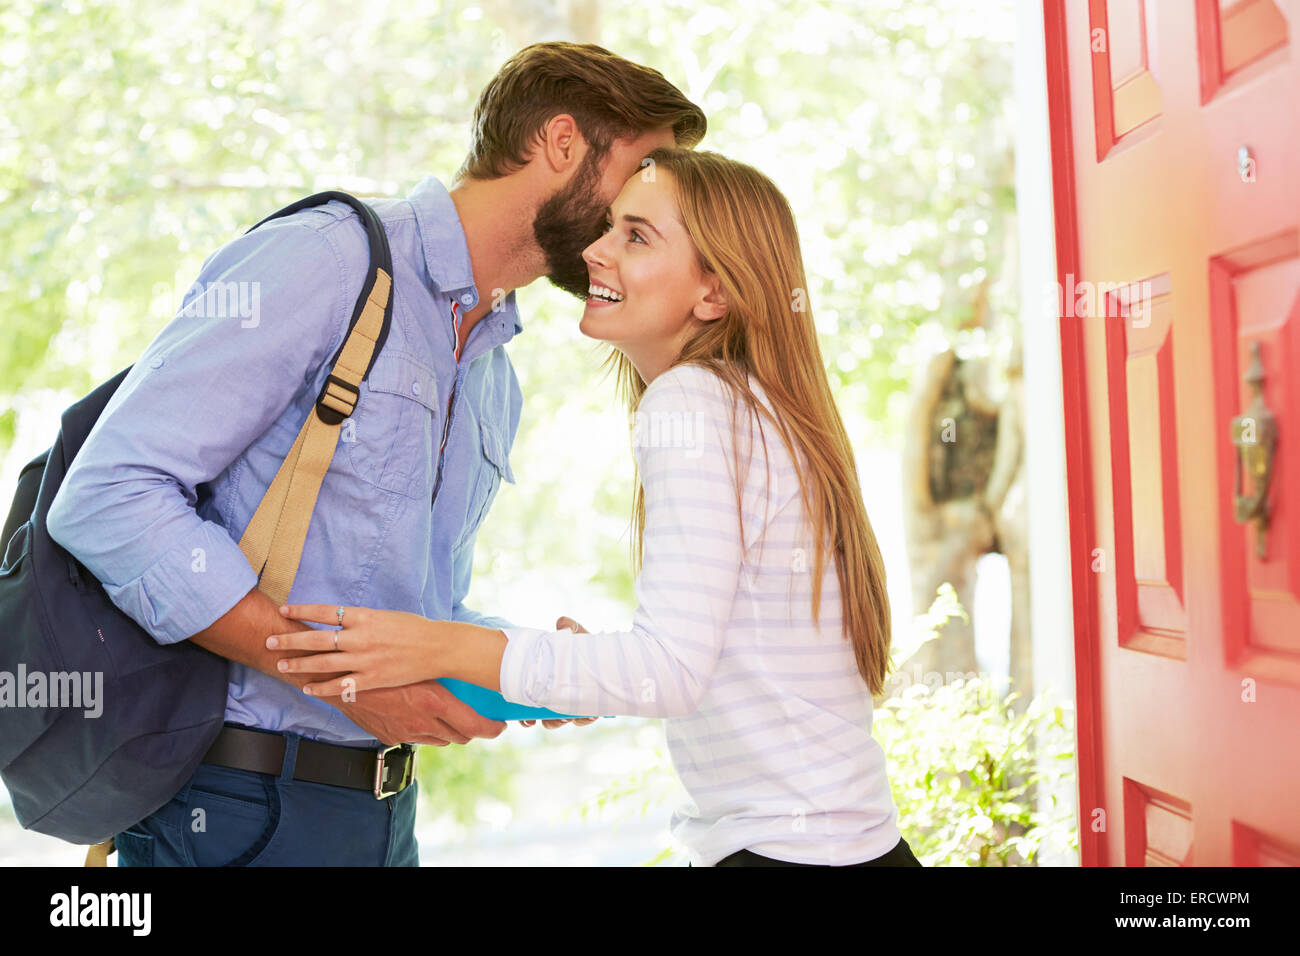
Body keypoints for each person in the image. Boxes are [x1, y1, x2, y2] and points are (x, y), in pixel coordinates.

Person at [45, 42, 706, 866]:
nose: (644, 205)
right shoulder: (329, 260)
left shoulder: (492, 371)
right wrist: (348, 686)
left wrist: (536, 668)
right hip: (236, 805)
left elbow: (403, 613)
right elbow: (108, 495)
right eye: (642, 168)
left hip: (383, 817)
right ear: (561, 143)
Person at [270, 148, 922, 868]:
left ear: (714, 295)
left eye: (637, 237)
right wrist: (577, 665)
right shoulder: (755, 408)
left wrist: (432, 645)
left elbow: (669, 670)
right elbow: (699, 655)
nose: (594, 252)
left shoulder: (694, 404)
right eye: (610, 226)